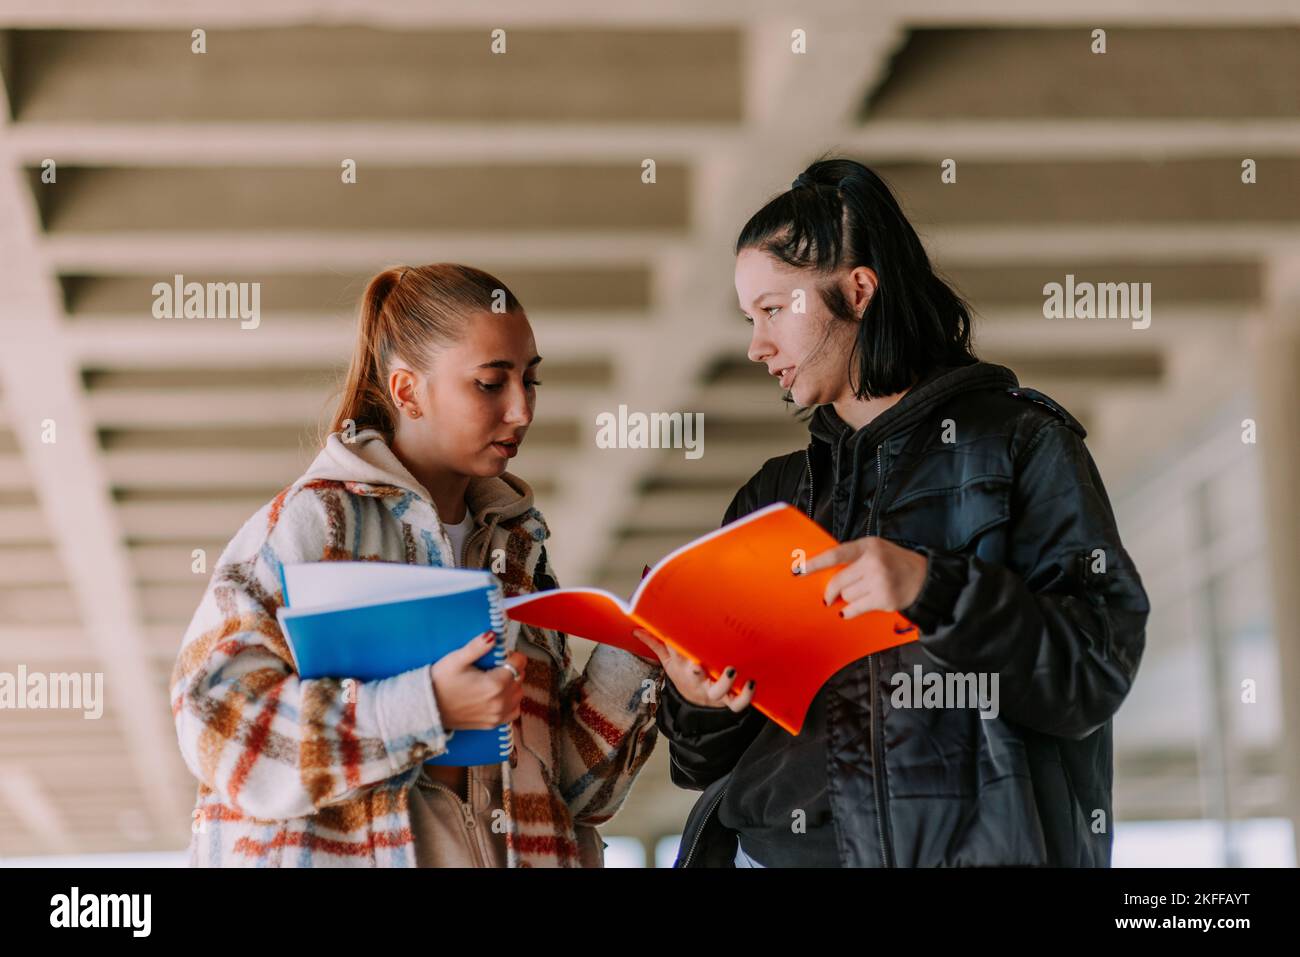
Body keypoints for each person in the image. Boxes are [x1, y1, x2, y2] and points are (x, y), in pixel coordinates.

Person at [642, 157, 1150, 867]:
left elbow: (1096, 669)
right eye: (748, 318)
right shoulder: (774, 497)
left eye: (773, 310)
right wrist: (699, 698)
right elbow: (702, 762)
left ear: (857, 290)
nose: (758, 346)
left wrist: (930, 587)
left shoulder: (1022, 445)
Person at [171, 263, 665, 867]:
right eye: (490, 383)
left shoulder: (519, 551)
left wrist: (639, 652)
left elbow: (570, 796)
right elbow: (215, 721)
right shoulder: (314, 522)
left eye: (530, 381)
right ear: (407, 390)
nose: (521, 410)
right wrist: (422, 707)